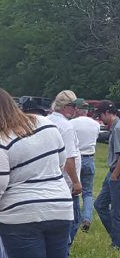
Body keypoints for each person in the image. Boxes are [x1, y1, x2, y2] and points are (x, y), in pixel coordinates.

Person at [0, 87, 77, 258]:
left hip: (21, 216)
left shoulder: (0, 141)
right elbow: (60, 161)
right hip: (59, 206)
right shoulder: (47, 124)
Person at [48, 90, 84, 245]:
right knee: (73, 221)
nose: (76, 109)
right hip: (65, 183)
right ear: (65, 107)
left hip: (49, 179)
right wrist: (76, 182)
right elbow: (69, 159)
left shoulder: (47, 121)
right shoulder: (66, 127)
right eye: (74, 106)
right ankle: (62, 255)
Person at [94, 100, 120, 249]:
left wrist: (115, 176)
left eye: (101, 115)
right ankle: (116, 236)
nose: (100, 119)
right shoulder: (115, 126)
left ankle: (116, 244)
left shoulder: (118, 129)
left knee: (115, 211)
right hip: (111, 172)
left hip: (116, 173)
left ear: (107, 113)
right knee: (100, 204)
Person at [71, 105, 100, 232]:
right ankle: (87, 218)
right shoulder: (95, 124)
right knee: (88, 192)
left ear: (77, 110)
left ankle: (74, 218)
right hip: (89, 158)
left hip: (76, 158)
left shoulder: (71, 123)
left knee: (74, 189)